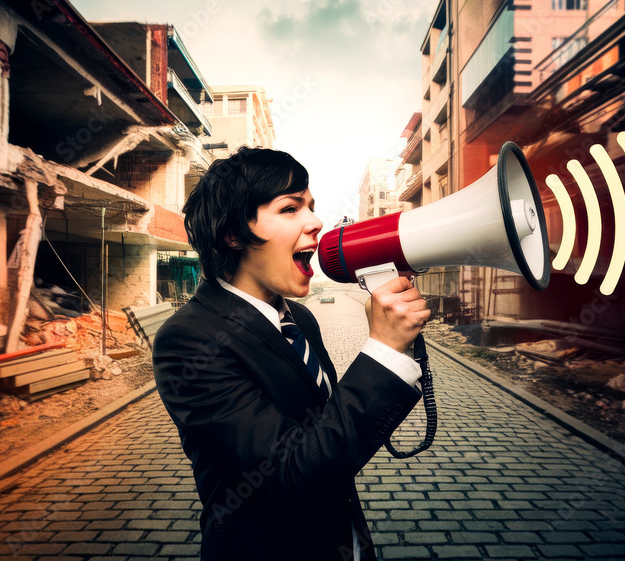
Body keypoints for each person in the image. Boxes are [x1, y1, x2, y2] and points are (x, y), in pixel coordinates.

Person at [152, 147, 431, 561]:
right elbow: (293, 474)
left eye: (312, 206)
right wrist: (385, 349)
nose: (316, 222)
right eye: (290, 208)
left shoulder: (299, 317)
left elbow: (327, 433)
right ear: (232, 233)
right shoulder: (189, 340)